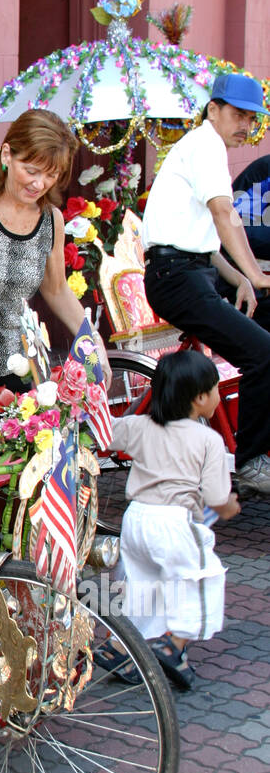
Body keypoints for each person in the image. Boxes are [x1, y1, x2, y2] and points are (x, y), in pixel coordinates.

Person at [0, 108, 111, 414]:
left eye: (51, 175)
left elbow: (57, 290)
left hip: (14, 376)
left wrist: (92, 341)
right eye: (31, 170)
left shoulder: (50, 221)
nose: (40, 184)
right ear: (6, 155)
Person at [141, 70, 270, 492]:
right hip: (176, 278)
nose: (246, 127)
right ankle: (251, 460)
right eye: (238, 115)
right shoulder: (206, 144)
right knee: (263, 353)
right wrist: (256, 273)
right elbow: (225, 215)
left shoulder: (204, 147)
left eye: (252, 120)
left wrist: (242, 281)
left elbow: (205, 242)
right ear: (212, 109)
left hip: (192, 272)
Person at [95, 351, 239, 691]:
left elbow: (103, 433)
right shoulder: (208, 440)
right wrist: (230, 507)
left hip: (136, 521)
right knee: (203, 580)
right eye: (217, 388)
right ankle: (173, 645)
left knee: (147, 588)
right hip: (174, 522)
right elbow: (218, 497)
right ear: (201, 397)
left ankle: (118, 648)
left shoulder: (138, 426)